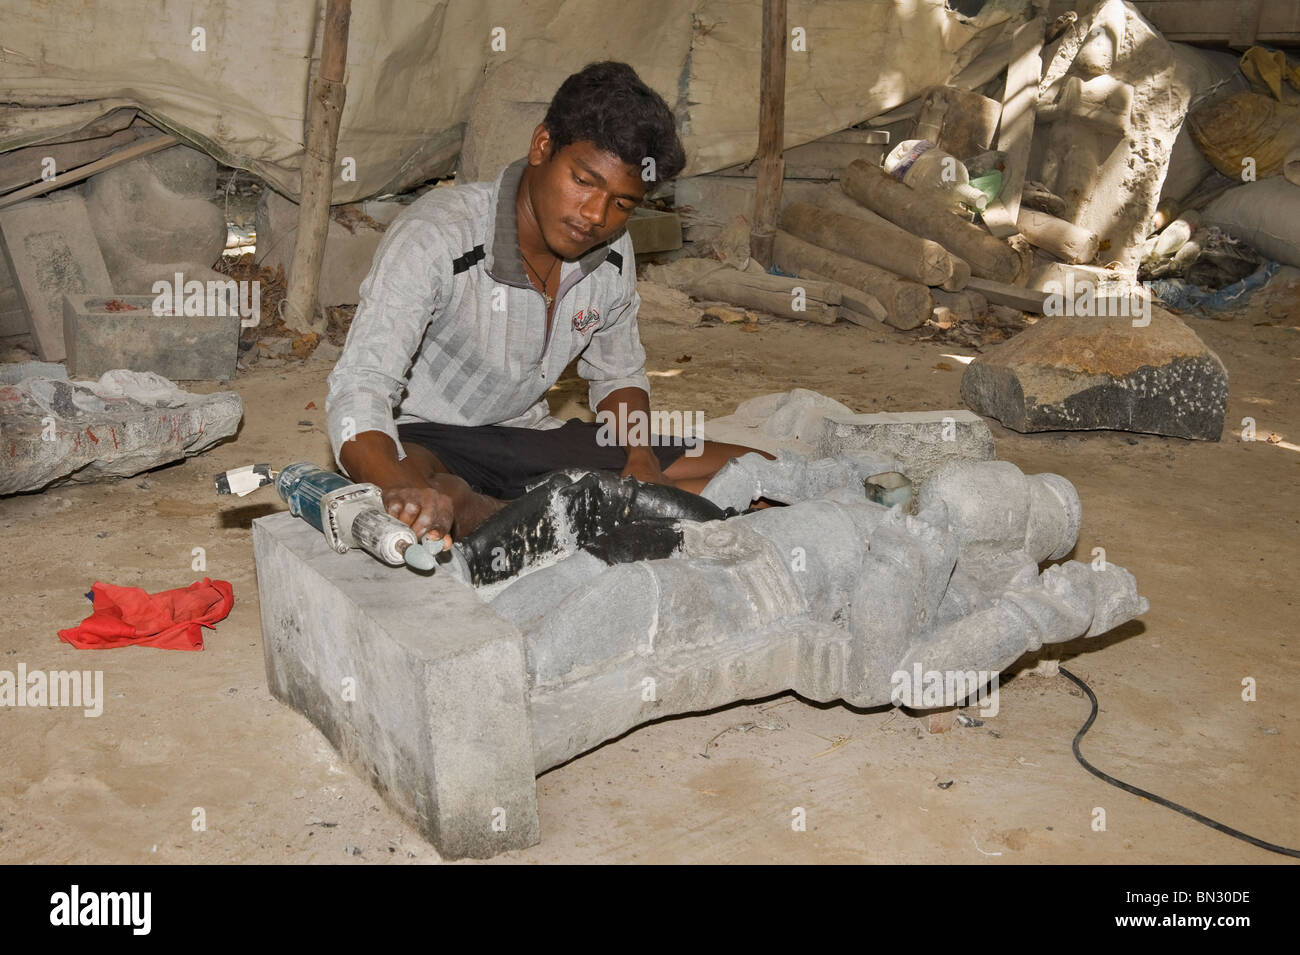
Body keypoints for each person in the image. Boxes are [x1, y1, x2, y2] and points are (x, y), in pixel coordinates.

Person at [326, 60, 769, 552]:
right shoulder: (438, 235)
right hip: (428, 440)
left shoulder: (612, 252)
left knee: (761, 473)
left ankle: (546, 517)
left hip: (525, 434)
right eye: (583, 181)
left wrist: (639, 456)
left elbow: (618, 375)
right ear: (542, 147)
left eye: (622, 203)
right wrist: (395, 483)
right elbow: (361, 385)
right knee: (433, 502)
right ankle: (497, 511)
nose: (595, 216)